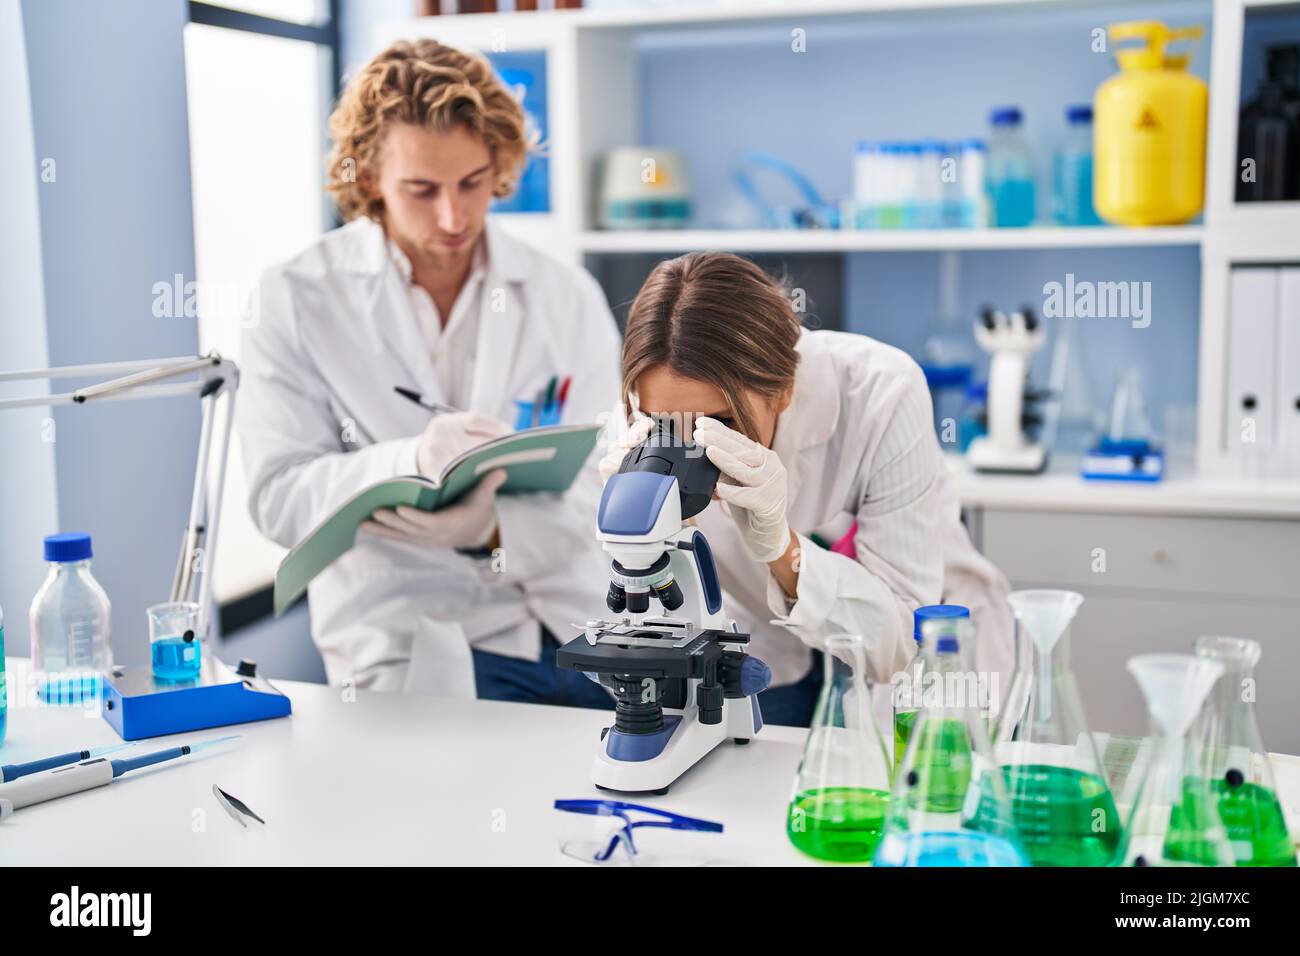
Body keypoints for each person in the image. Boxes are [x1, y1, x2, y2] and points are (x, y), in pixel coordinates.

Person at [237, 39, 619, 704]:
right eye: (421, 190)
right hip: (402, 632)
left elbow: (609, 478)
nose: (453, 217)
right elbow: (279, 495)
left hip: (572, 620)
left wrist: (492, 530)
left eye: (473, 183)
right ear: (368, 181)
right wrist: (405, 463)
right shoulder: (296, 299)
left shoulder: (566, 295)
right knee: (445, 797)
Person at [601, 252, 1013, 727]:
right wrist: (655, 533)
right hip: (766, 646)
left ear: (783, 388)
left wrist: (782, 548)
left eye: (722, 421)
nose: (697, 447)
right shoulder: (638, 418)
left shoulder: (883, 393)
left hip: (929, 658)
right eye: (669, 425)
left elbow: (899, 641)